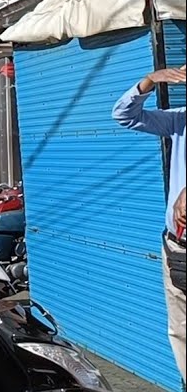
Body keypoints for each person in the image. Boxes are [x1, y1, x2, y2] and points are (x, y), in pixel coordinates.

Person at [112, 65, 186, 381]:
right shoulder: (180, 119)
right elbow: (125, 115)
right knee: (181, 331)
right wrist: (148, 82)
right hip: (177, 246)